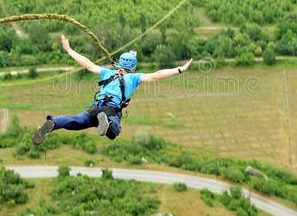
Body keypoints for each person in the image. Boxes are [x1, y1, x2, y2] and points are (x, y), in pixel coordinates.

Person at [32, 34, 193, 144]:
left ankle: (54, 122)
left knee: (77, 121)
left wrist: (69, 49)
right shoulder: (133, 78)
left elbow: (87, 64)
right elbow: (156, 75)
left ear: (120, 65)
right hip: (111, 109)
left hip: (95, 107)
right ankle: (107, 122)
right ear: (134, 68)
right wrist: (180, 69)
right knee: (113, 132)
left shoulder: (108, 73)